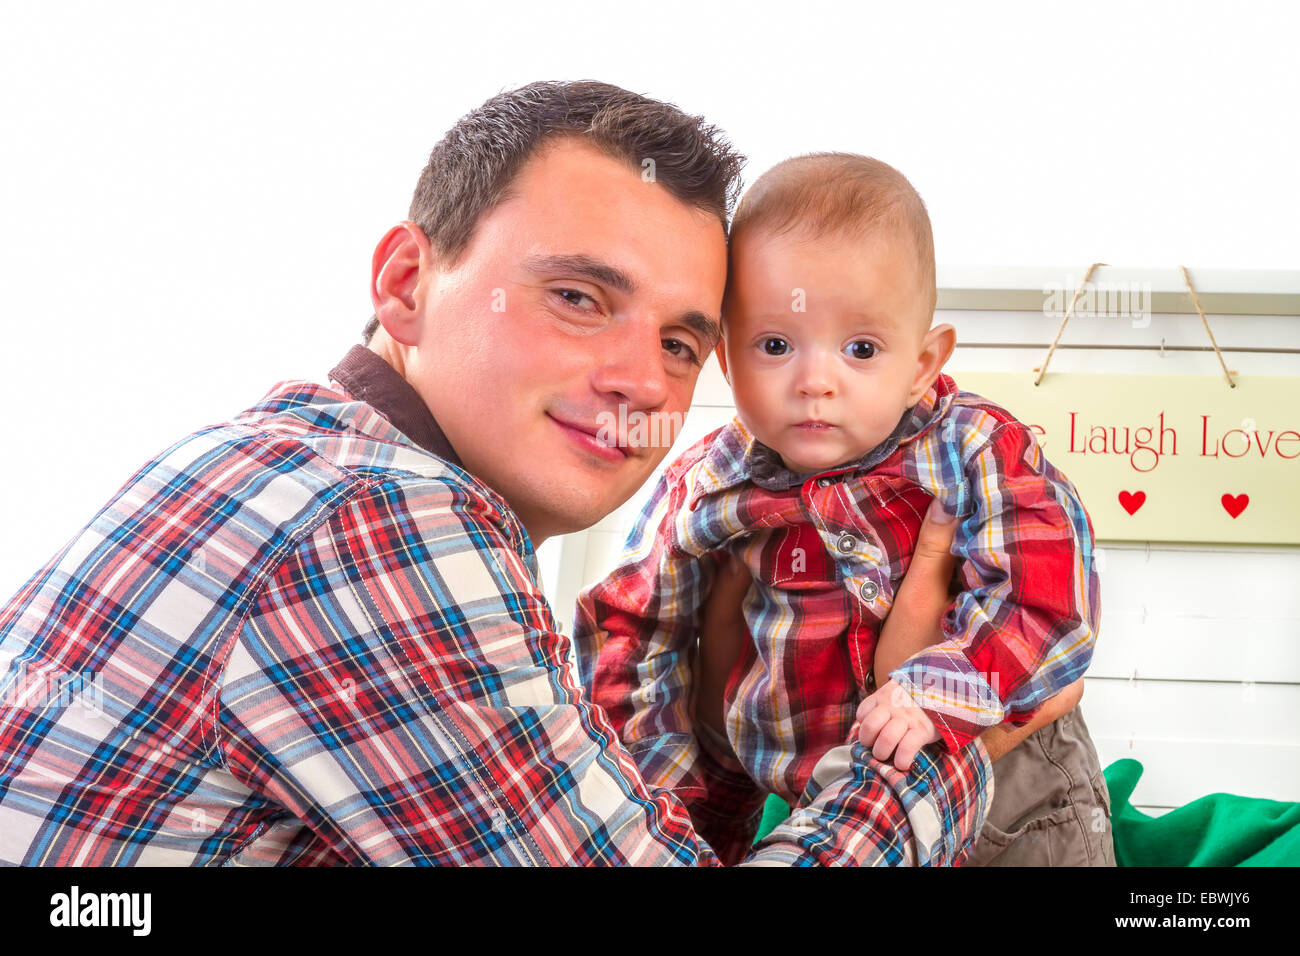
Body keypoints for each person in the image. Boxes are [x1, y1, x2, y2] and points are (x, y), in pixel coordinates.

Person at [0, 82, 1067, 866]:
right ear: (408, 282)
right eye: (578, 297)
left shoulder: (284, 455)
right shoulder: (376, 522)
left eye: (682, 343)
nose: (636, 380)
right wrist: (953, 720)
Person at [575, 153, 1113, 866]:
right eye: (775, 345)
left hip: (1010, 781)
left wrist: (935, 690)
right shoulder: (708, 481)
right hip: (818, 809)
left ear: (922, 364)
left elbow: (1050, 596)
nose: (815, 382)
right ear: (728, 362)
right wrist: (672, 794)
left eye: (860, 348)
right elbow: (633, 628)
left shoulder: (972, 449)